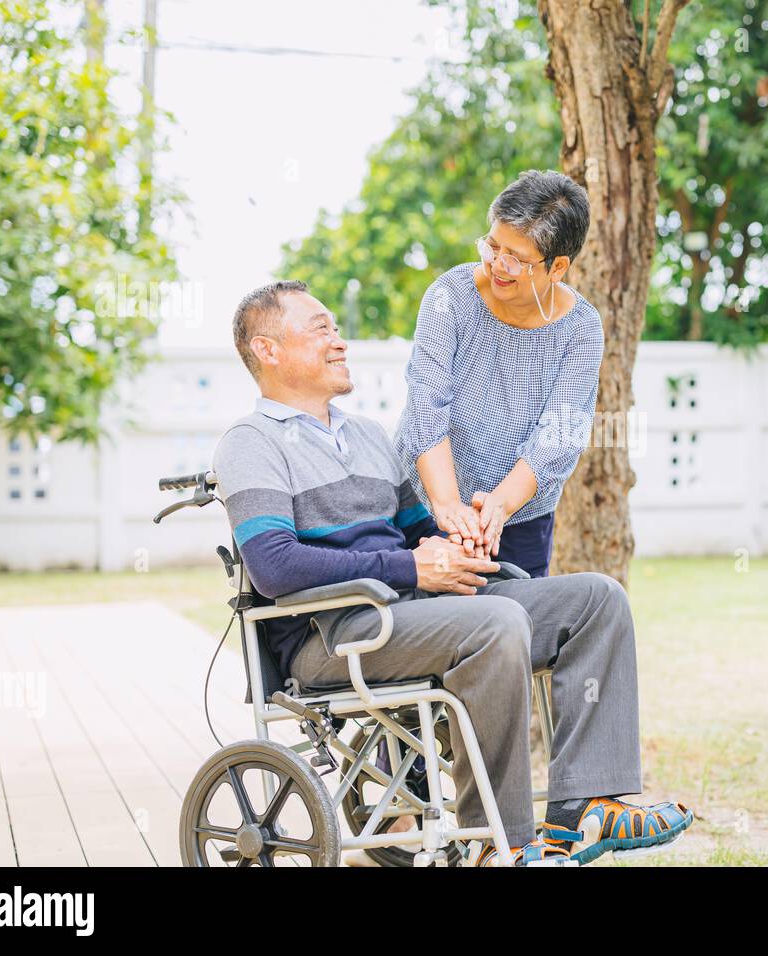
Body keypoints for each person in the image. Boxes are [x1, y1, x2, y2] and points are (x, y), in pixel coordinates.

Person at [211, 279, 691, 866]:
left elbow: (419, 534)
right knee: (494, 622)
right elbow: (273, 565)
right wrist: (411, 565)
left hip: (411, 618)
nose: (339, 340)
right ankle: (496, 841)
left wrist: (462, 538)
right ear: (268, 350)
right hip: (332, 634)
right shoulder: (250, 442)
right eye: (321, 328)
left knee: (595, 599)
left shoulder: (366, 436)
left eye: (336, 327)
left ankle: (586, 806)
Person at [395, 169, 603, 577]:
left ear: (557, 267)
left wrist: (497, 507)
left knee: (521, 628)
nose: (498, 266)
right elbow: (426, 404)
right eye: (493, 247)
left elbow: (559, 435)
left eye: (517, 259)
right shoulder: (449, 296)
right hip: (423, 496)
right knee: (423, 629)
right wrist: (450, 507)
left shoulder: (582, 328)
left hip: (519, 515)